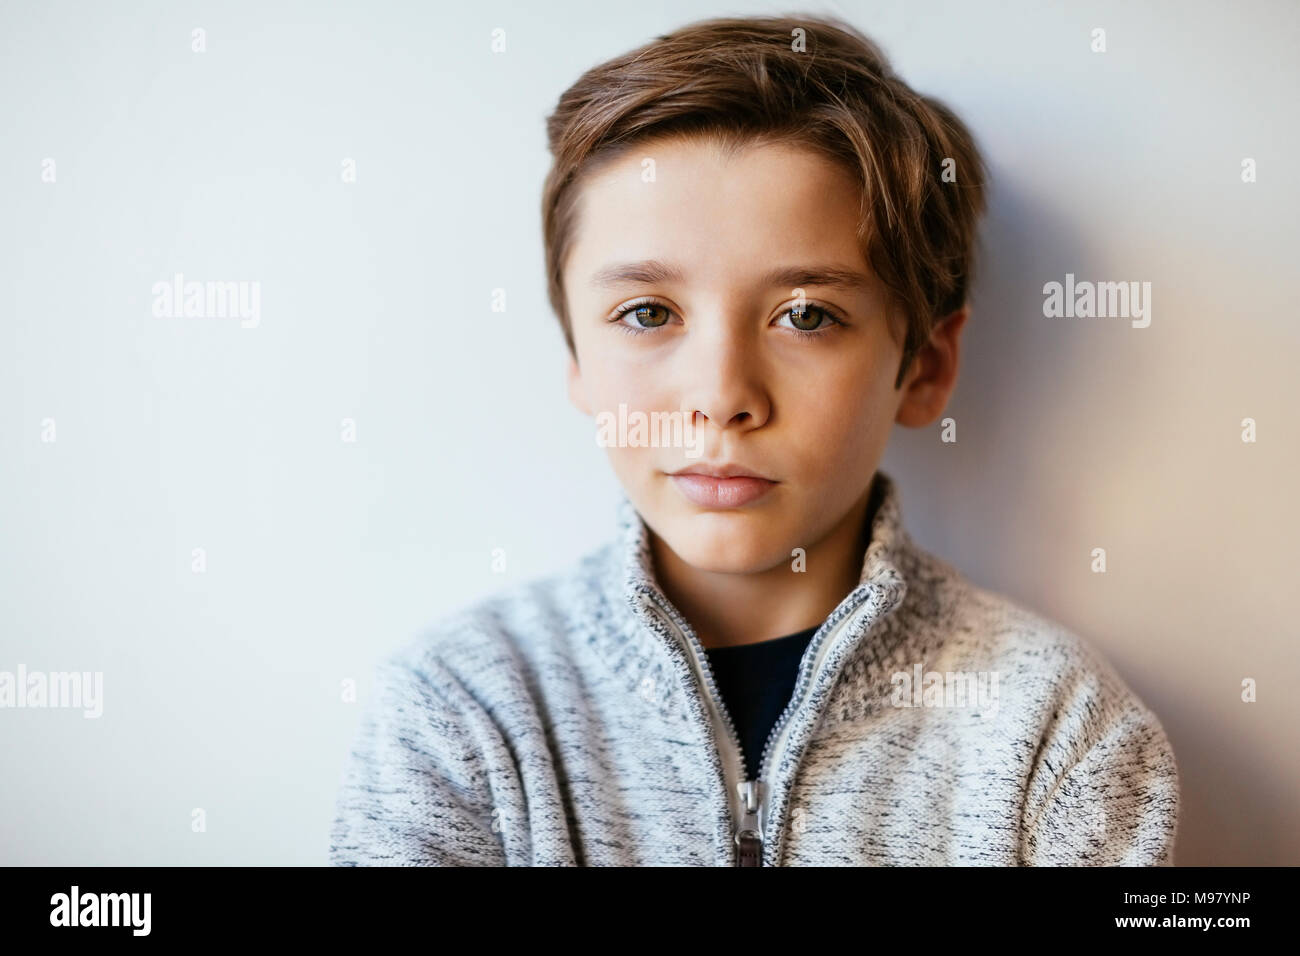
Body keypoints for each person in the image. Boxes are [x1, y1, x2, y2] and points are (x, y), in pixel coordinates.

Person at [329, 13, 1179, 866]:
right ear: (577, 358)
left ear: (922, 367)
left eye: (806, 316)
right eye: (648, 314)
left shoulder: (1057, 737)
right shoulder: (459, 712)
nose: (722, 399)